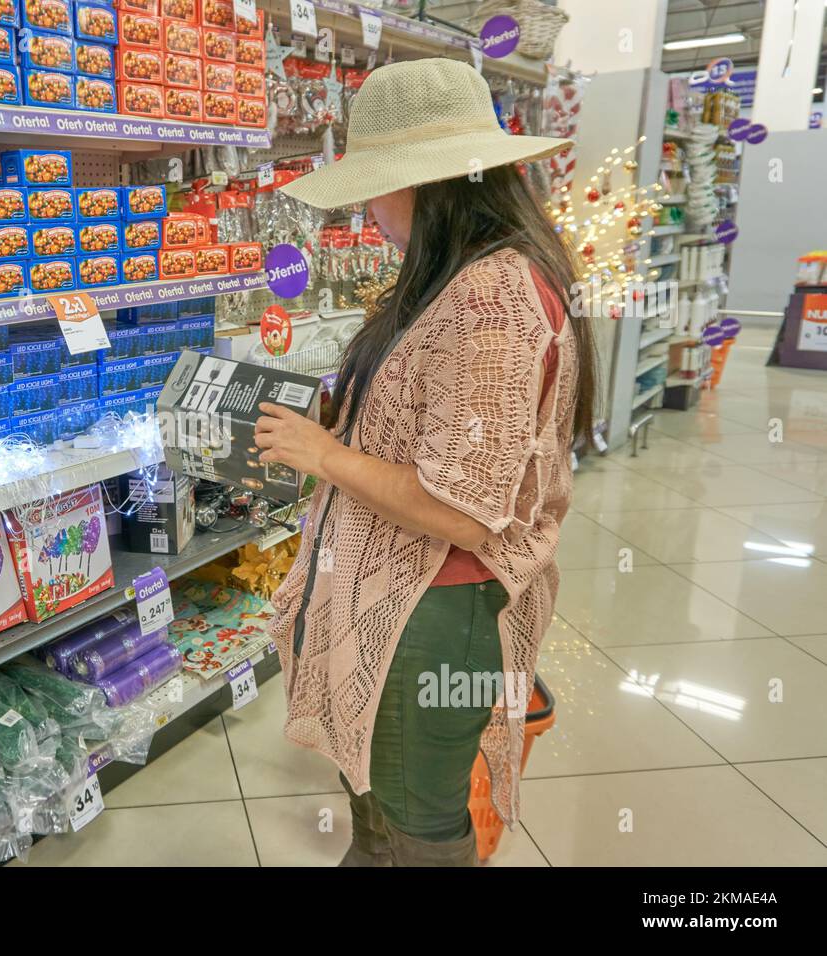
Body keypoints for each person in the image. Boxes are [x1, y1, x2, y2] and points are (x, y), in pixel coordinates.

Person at [257, 58, 597, 867]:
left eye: (378, 185)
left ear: (433, 183)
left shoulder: (493, 296)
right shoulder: (458, 276)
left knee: (416, 833)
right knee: (382, 815)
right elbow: (444, 426)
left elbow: (464, 510)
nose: (370, 210)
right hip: (401, 599)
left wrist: (329, 456)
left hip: (432, 611)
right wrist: (350, 422)